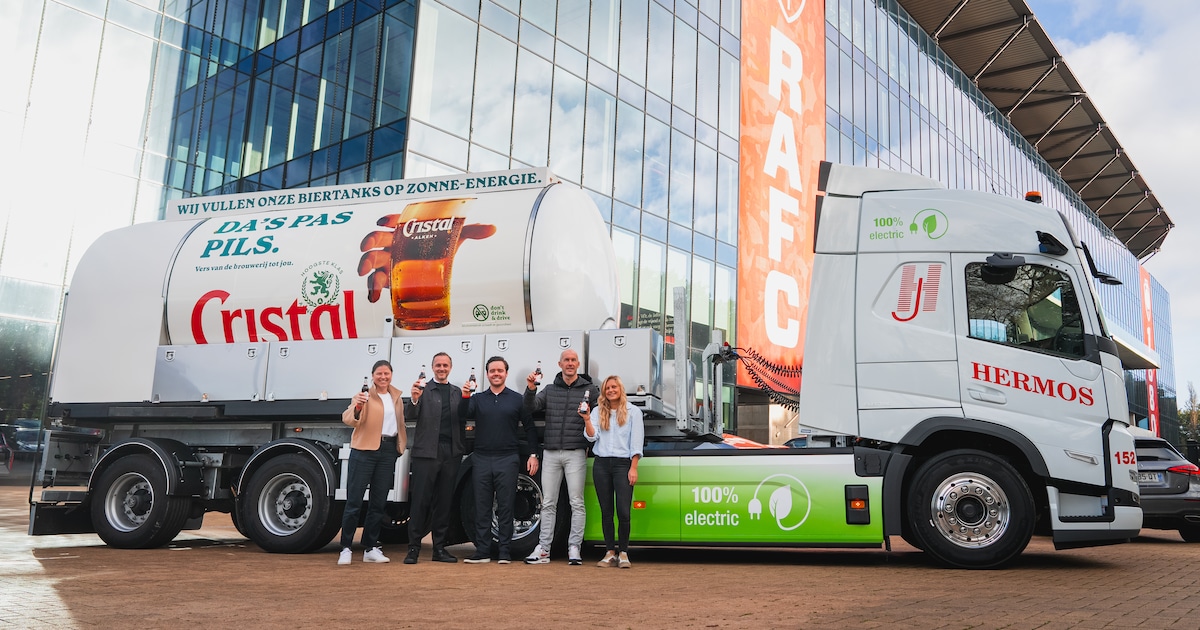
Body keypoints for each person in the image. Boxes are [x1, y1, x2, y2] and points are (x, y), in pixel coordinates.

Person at [522, 348, 599, 565]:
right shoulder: (549, 389)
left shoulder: (590, 390)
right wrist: (529, 389)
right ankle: (544, 548)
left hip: (576, 452)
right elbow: (530, 407)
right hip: (551, 452)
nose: (570, 363)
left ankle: (574, 547)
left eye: (573, 360)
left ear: (578, 364)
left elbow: (601, 415)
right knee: (548, 503)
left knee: (577, 502)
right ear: (560, 364)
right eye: (566, 360)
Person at [459, 356, 538, 564]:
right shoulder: (478, 399)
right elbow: (462, 414)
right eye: (492, 371)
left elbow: (529, 427)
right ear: (487, 374)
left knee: (506, 507)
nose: (496, 374)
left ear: (506, 373)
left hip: (508, 458)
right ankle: (483, 552)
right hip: (482, 458)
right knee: (482, 506)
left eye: (500, 370)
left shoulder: (516, 399)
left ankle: (504, 552)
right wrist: (466, 396)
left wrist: (533, 454)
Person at [338, 360, 407, 565]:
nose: (383, 377)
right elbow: (349, 419)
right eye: (379, 374)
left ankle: (370, 547)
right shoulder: (364, 395)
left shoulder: (396, 397)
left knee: (378, 503)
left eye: (386, 373)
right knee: (354, 501)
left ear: (391, 375)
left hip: (388, 450)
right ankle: (346, 548)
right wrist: (358, 405)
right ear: (373, 375)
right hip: (364, 450)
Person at [404, 352, 466, 564]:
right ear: (432, 368)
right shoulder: (422, 390)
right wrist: (413, 399)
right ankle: (413, 548)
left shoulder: (457, 392)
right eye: (438, 365)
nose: (442, 368)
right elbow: (409, 415)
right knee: (421, 501)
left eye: (445, 365)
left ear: (451, 367)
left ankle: (439, 549)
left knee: (444, 502)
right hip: (426, 453)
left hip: (451, 453)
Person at [582, 375, 644, 569]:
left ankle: (623, 552)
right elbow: (592, 437)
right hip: (601, 464)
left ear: (620, 389)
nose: (610, 390)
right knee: (606, 511)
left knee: (623, 511)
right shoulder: (597, 411)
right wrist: (586, 420)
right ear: (603, 392)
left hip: (622, 465)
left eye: (614, 387)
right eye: (607, 388)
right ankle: (610, 551)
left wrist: (633, 467)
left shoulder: (633, 412)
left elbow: (636, 442)